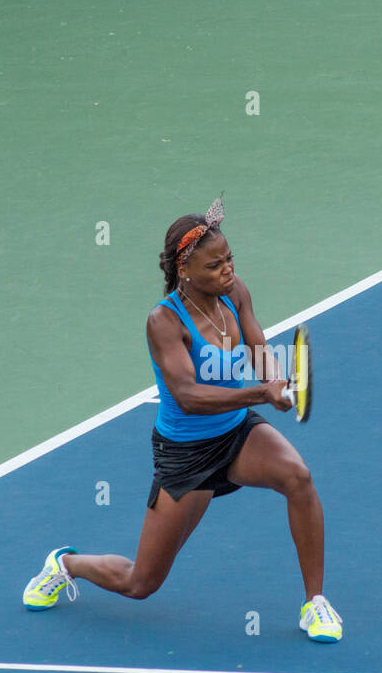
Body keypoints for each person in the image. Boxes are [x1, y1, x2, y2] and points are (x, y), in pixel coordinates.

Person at [23, 197, 343, 642]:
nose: (227, 270)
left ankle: (316, 603)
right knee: (141, 583)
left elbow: (256, 347)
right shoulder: (164, 322)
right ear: (184, 271)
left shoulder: (235, 293)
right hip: (185, 454)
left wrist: (277, 382)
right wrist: (260, 393)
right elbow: (189, 397)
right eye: (215, 265)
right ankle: (65, 564)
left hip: (235, 434)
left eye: (230, 259)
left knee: (298, 477)